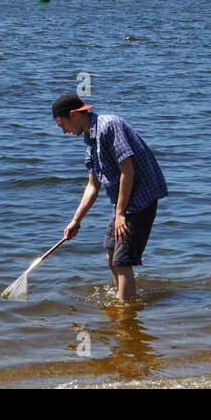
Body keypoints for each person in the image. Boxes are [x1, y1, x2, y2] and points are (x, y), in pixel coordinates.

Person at [52, 94, 167, 302]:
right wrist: (75, 221)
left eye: (62, 125)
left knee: (122, 261)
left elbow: (127, 170)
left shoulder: (109, 125)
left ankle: (125, 315)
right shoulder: (90, 142)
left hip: (140, 199)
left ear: (73, 115)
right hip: (122, 203)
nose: (63, 132)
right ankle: (123, 301)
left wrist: (121, 213)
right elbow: (92, 186)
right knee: (111, 256)